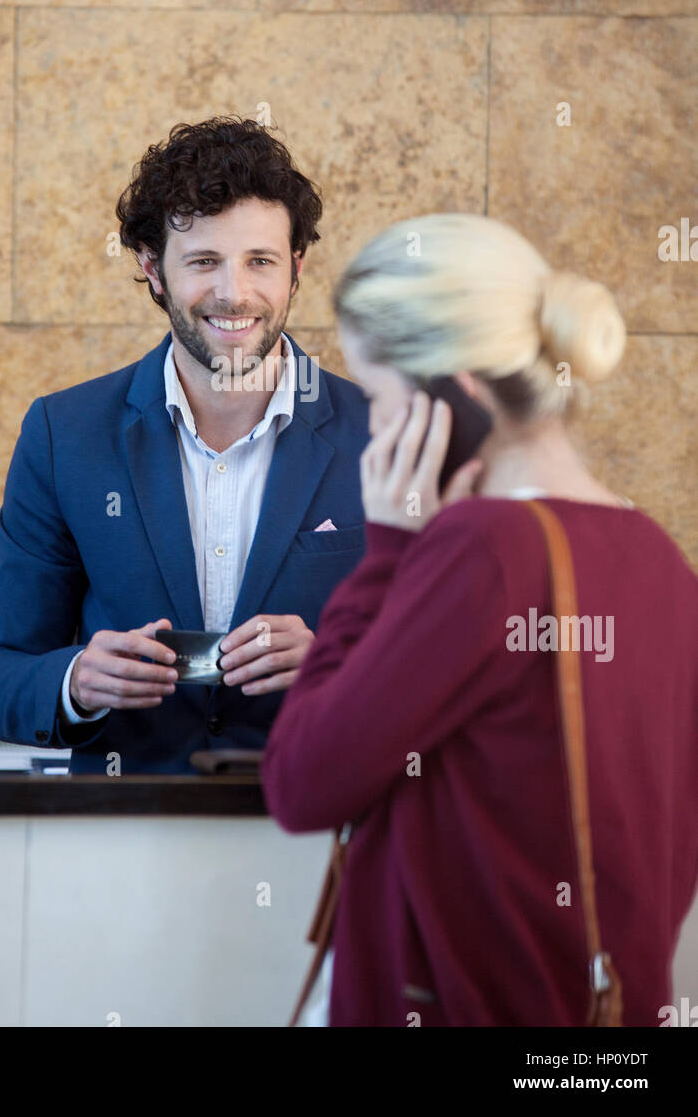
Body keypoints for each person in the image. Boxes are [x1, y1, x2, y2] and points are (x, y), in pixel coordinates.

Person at [261, 212, 698, 1026]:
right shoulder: (659, 558)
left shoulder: (483, 549)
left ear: (452, 396)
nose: (375, 434)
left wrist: (388, 549)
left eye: (381, 399)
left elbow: (301, 782)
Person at [0, 117, 370, 773]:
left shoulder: (385, 432)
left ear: (296, 269)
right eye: (203, 261)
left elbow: (462, 669)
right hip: (126, 840)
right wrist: (75, 682)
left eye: (259, 261)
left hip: (325, 841)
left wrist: (341, 661)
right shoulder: (62, 434)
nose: (233, 293)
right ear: (152, 269)